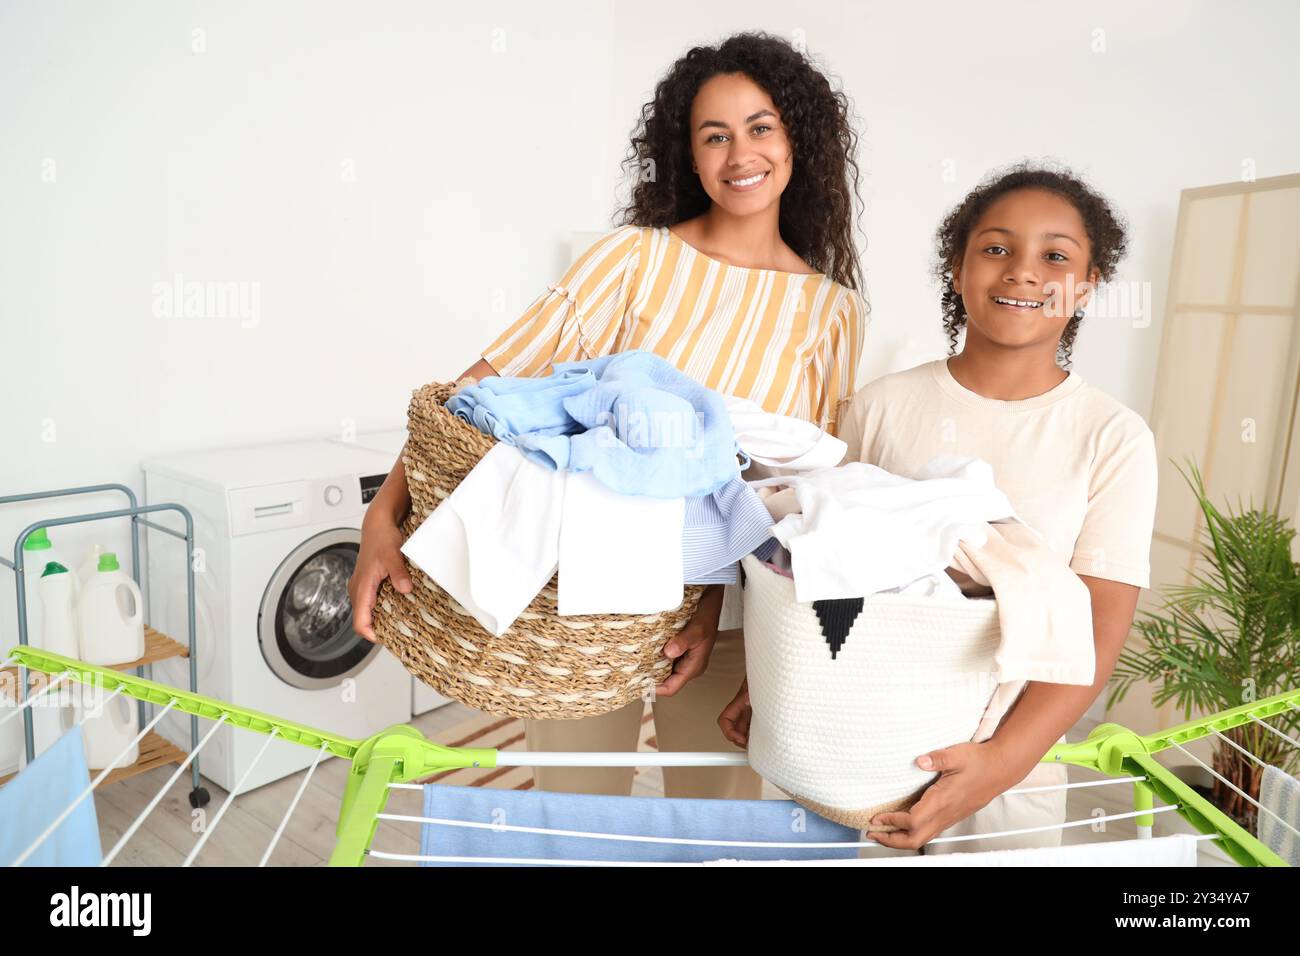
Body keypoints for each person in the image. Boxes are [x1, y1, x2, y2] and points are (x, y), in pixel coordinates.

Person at [349, 31, 868, 799]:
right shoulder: (631, 260)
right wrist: (380, 521)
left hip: (725, 615)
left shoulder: (832, 312)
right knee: (575, 812)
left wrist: (718, 613)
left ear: (797, 141)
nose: (739, 155)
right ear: (689, 156)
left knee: (712, 826)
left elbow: (787, 490)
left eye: (761, 128)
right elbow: (478, 397)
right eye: (713, 136)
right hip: (574, 598)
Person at [719, 163, 1158, 854]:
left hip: (1010, 763)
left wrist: (997, 766)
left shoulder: (1112, 436)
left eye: (1055, 256)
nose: (1022, 272)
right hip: (853, 744)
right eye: (995, 248)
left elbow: (1098, 626)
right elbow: (813, 553)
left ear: (1088, 285)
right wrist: (767, 680)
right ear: (956, 269)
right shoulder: (881, 406)